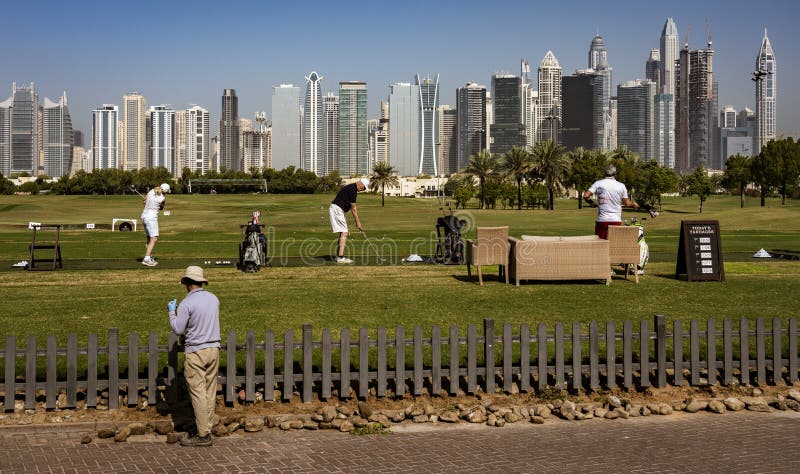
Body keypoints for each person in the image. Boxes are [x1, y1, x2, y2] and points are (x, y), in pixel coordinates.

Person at [168, 266, 221, 447]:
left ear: (186, 283)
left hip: (196, 351)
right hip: (213, 348)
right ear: (201, 282)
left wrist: (171, 312)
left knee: (198, 393)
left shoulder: (186, 304)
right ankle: (206, 425)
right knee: (210, 390)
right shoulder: (213, 299)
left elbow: (178, 329)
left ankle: (203, 434)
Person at [582, 164, 640, 239]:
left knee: (601, 245)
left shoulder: (598, 183)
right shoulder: (621, 186)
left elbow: (586, 196)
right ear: (615, 174)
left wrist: (592, 203)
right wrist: (634, 204)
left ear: (605, 173)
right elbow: (627, 204)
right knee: (613, 245)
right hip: (616, 220)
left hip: (602, 220)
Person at [329, 178, 369, 264]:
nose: (363, 190)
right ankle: (340, 257)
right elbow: (353, 209)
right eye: (364, 187)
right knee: (344, 233)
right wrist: (358, 222)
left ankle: (338, 256)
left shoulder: (352, 188)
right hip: (337, 209)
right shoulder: (352, 190)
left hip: (337, 209)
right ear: (360, 184)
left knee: (343, 232)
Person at [141, 183, 171, 266]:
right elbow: (161, 209)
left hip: (144, 216)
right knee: (154, 238)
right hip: (151, 218)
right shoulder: (162, 199)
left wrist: (146, 201)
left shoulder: (151, 191)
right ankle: (146, 259)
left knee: (149, 237)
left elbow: (144, 200)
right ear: (165, 191)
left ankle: (149, 256)